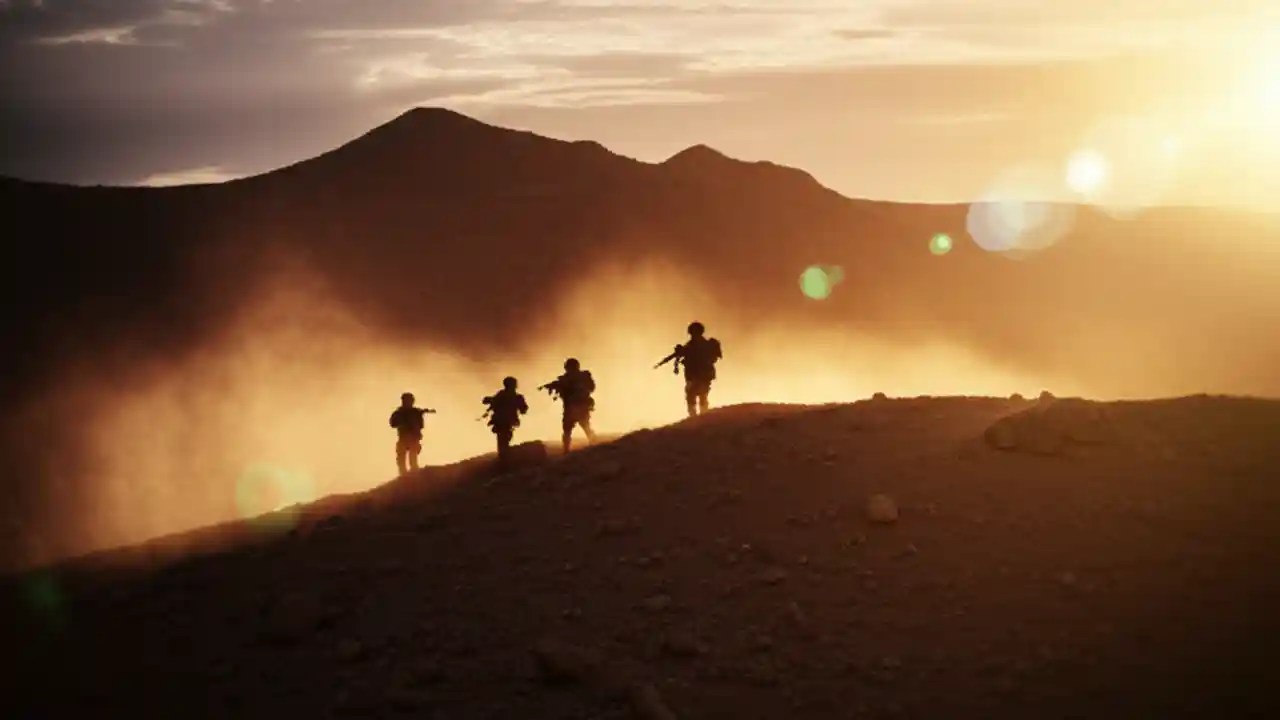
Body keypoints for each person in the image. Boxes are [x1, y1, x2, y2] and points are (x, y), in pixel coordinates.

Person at [656, 322, 722, 417]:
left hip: (698, 375)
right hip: (701, 375)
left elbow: (711, 358)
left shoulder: (696, 346)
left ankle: (697, 416)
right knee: (699, 395)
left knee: (694, 395)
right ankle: (699, 416)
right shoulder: (700, 345)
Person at [539, 358, 598, 453]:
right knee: (577, 427)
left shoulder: (579, 377)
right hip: (575, 406)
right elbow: (591, 387)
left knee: (575, 427)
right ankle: (589, 444)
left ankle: (590, 444)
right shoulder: (575, 377)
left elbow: (591, 387)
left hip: (576, 406)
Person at [482, 376, 529, 462]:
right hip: (506, 422)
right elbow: (524, 410)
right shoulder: (516, 397)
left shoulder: (504, 395)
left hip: (502, 422)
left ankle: (504, 458)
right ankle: (504, 459)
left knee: (503, 441)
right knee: (504, 440)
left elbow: (490, 402)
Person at [389, 392, 436, 475]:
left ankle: (412, 476)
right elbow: (393, 423)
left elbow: (420, 425)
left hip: (412, 439)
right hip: (404, 439)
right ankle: (405, 477)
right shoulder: (400, 413)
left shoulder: (415, 412)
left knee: (412, 460)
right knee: (402, 462)